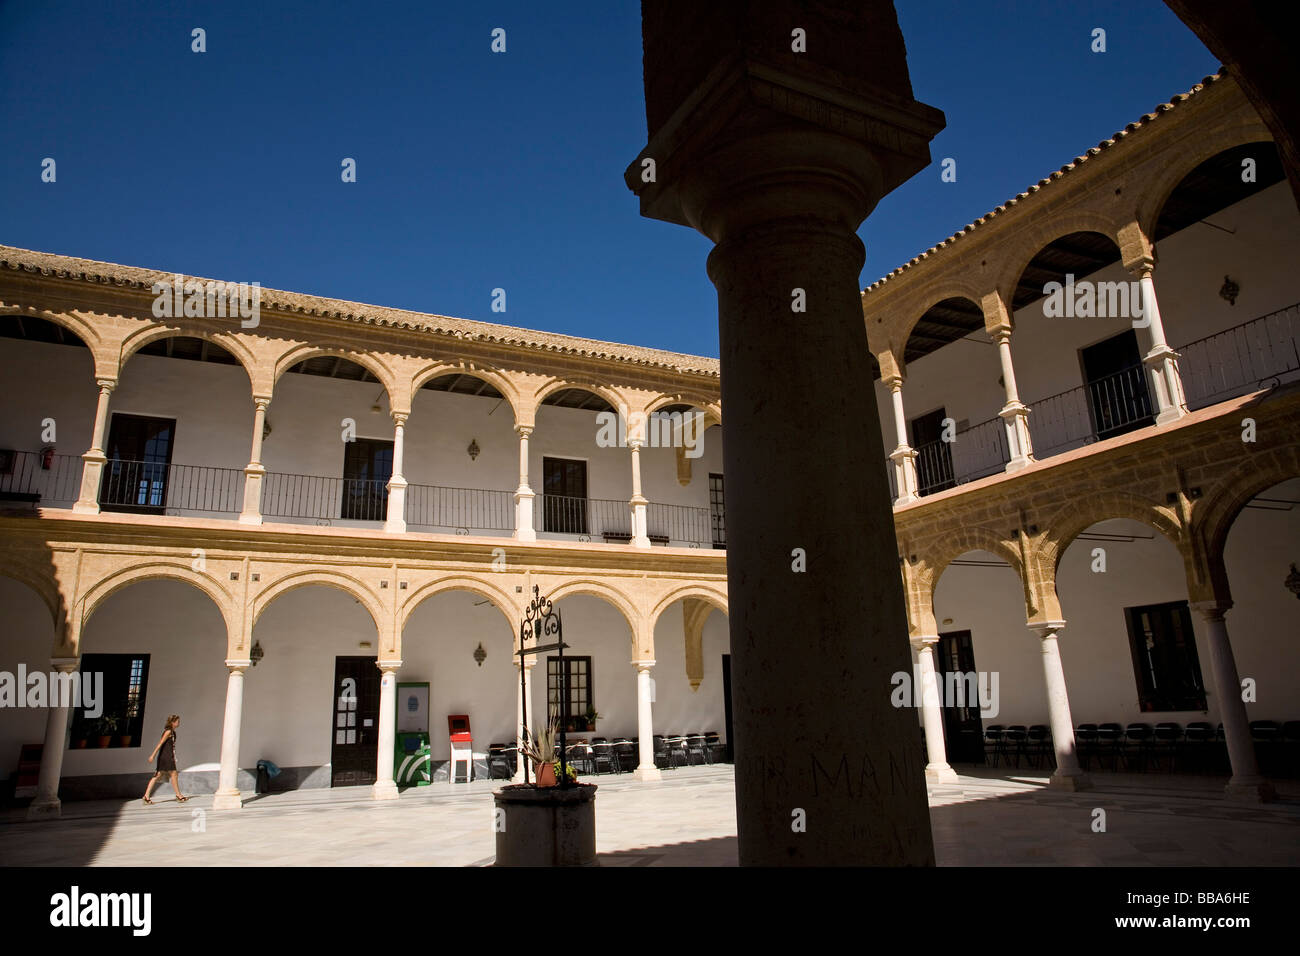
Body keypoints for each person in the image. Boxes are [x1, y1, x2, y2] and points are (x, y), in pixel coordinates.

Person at [143, 714, 188, 804]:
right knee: (173, 774)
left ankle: (146, 796)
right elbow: (160, 743)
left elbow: (171, 747)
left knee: (158, 775)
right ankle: (178, 795)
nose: (179, 723)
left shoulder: (173, 732)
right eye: (177, 721)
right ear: (172, 722)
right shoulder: (168, 732)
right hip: (165, 757)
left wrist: (174, 757)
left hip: (169, 756)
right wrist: (153, 755)